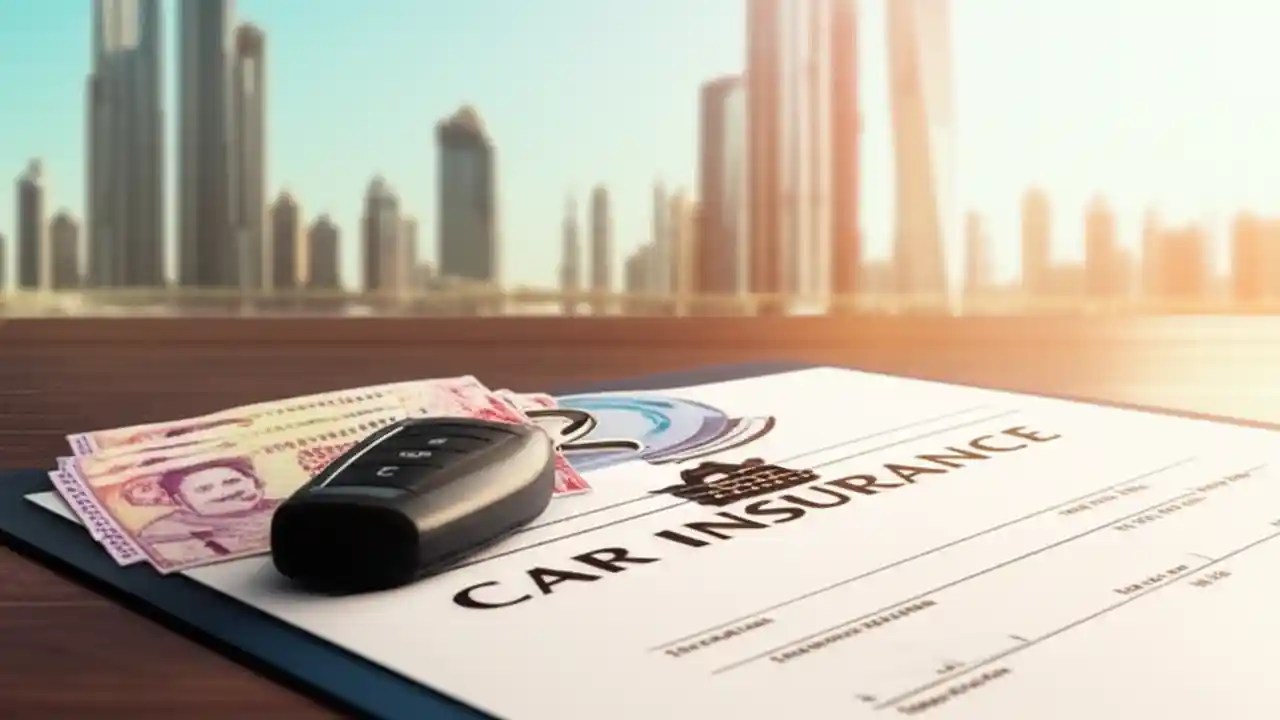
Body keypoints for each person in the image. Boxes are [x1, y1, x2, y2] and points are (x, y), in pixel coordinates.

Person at [126, 456, 282, 563]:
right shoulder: (163, 530)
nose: (224, 493)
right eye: (204, 489)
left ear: (255, 482)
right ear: (180, 500)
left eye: (232, 482)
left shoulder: (286, 506)